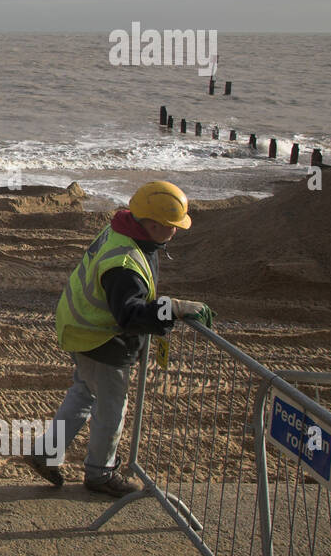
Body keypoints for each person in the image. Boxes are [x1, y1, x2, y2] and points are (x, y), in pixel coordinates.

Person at [28, 180, 214, 497]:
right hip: (100, 339)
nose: (176, 231)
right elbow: (129, 315)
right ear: (153, 225)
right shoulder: (125, 263)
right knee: (112, 408)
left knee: (85, 392)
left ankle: (47, 452)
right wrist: (174, 309)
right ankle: (100, 474)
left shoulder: (125, 230)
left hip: (80, 327)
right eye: (172, 226)